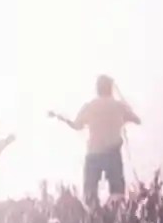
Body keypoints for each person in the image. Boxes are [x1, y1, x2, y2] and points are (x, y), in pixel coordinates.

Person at [49, 74, 141, 204]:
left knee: (90, 194)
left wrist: (61, 117)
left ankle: (93, 219)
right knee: (117, 194)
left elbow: (76, 125)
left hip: (94, 153)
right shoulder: (118, 106)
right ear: (110, 88)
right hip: (112, 153)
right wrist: (122, 101)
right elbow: (137, 120)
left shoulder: (90, 107)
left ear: (97, 89)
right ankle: (114, 219)